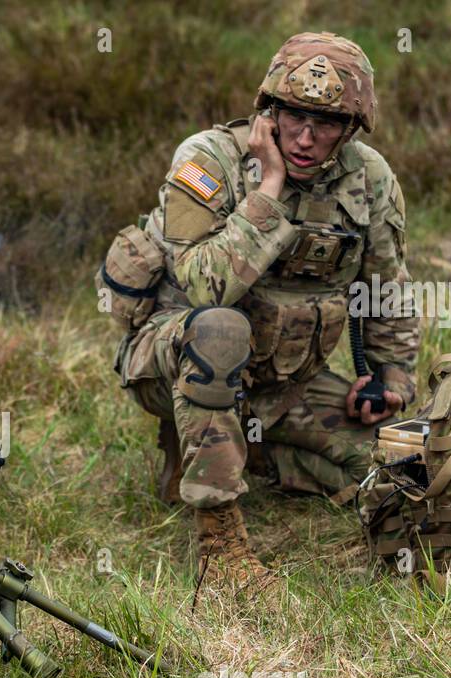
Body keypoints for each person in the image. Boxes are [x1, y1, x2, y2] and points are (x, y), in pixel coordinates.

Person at [108, 32, 420, 593]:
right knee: (221, 328)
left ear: (351, 128)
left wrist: (390, 375)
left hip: (284, 381)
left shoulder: (368, 179)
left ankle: (231, 452)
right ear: (268, 109)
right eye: (292, 115)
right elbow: (206, 289)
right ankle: (220, 546)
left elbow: (386, 287)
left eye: (324, 124)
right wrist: (269, 187)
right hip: (175, 359)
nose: (304, 137)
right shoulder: (208, 160)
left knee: (392, 463)